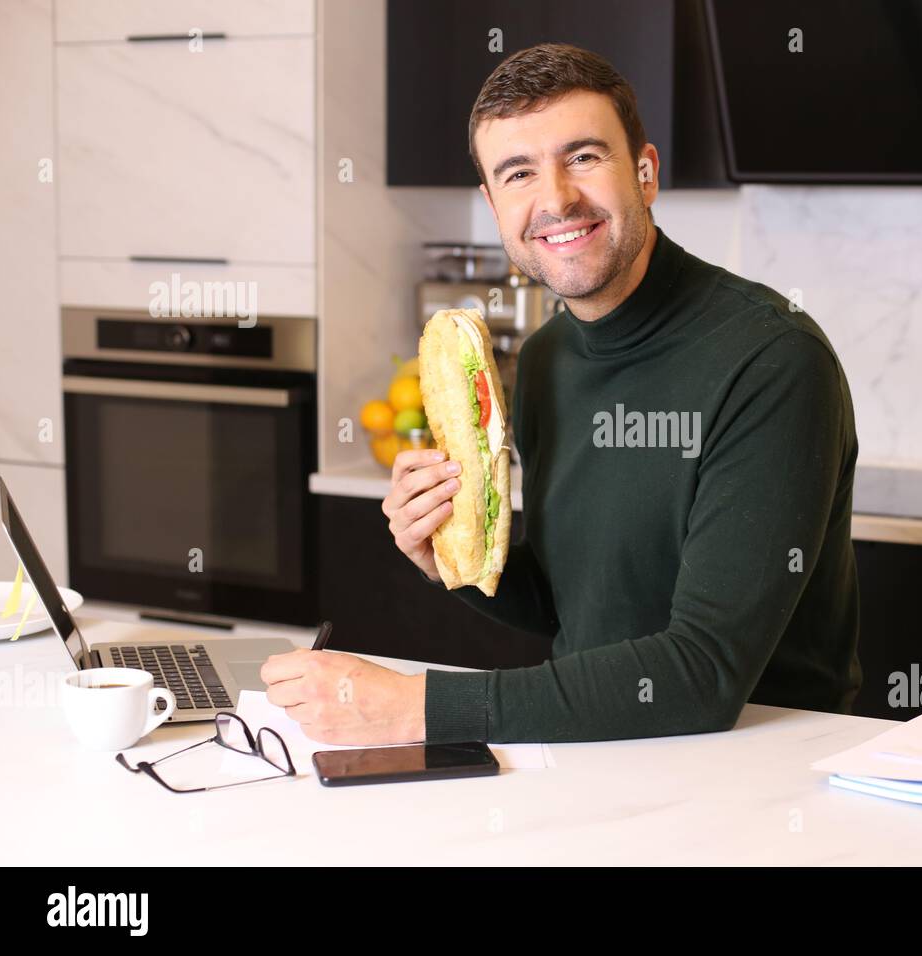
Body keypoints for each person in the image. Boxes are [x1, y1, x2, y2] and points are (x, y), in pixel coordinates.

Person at [263, 43, 861, 745]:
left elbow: (704, 675)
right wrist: (455, 561)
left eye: (583, 156)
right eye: (518, 173)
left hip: (759, 770)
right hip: (601, 753)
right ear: (492, 203)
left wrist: (411, 706)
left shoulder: (769, 360)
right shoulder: (545, 359)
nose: (555, 199)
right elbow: (570, 606)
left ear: (644, 172)